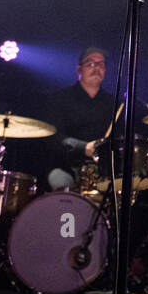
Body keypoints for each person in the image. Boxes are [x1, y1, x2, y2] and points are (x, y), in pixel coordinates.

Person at [45, 47, 117, 191]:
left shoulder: (113, 104)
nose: (96, 68)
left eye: (101, 64)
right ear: (79, 69)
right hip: (66, 167)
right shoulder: (60, 99)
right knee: (62, 189)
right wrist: (84, 147)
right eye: (90, 64)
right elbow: (54, 138)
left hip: (102, 171)